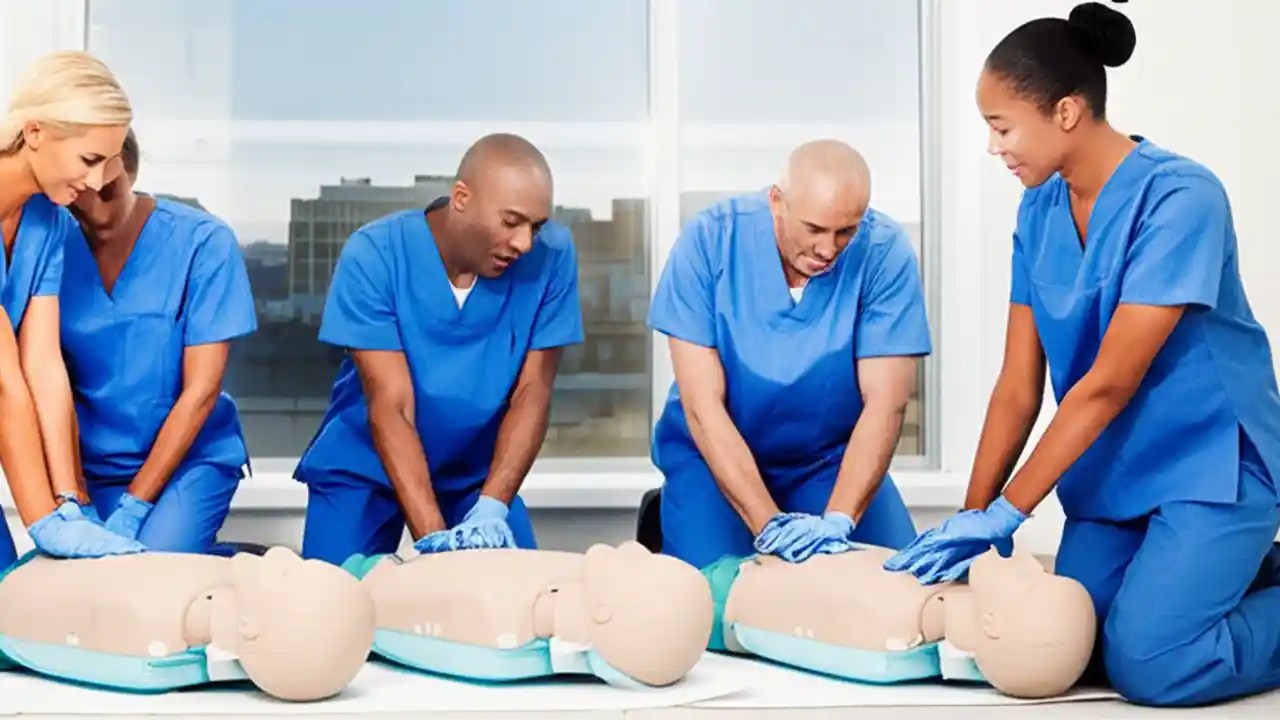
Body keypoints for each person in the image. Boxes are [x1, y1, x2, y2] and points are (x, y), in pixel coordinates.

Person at [884, 2, 1280, 708]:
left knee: (1152, 663)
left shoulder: (1181, 197)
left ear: (1066, 111)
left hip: (1212, 465)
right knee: (1075, 643)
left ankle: (1223, 564)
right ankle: (1233, 573)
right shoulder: (1038, 211)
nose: (993, 147)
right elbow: (1017, 386)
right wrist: (972, 522)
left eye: (1002, 126)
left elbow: (1109, 382)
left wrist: (1011, 509)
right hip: (1116, 472)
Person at [296, 133, 583, 566]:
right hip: (362, 466)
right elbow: (392, 406)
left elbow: (533, 391)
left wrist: (492, 507)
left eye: (536, 226)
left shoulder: (552, 256)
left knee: (519, 593)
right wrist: (435, 545)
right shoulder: (376, 255)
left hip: (474, 475)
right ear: (462, 198)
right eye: (511, 222)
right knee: (331, 595)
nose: (525, 243)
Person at [648, 139, 931, 571]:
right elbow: (702, 408)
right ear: (777, 201)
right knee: (718, 594)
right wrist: (769, 526)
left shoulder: (884, 251)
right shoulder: (710, 241)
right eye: (814, 229)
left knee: (897, 584)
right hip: (712, 458)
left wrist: (840, 519)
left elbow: (886, 404)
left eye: (846, 232)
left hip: (828, 459)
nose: (828, 249)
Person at [63, 128, 257, 553]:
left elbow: (202, 391)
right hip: (92, 467)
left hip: (189, 461)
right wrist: (72, 496)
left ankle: (225, 564)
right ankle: (210, 564)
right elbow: (45, 383)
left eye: (108, 183)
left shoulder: (203, 242)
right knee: (88, 577)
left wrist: (136, 503)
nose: (93, 196)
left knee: (152, 565)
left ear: (131, 169)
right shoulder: (52, 246)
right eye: (80, 185)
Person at [0, 50, 147, 563]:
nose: (100, 180)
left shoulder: (48, 223)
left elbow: (43, 366)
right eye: (89, 160)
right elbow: (5, 382)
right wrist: (42, 521)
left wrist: (70, 500)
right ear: (35, 132)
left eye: (109, 162)